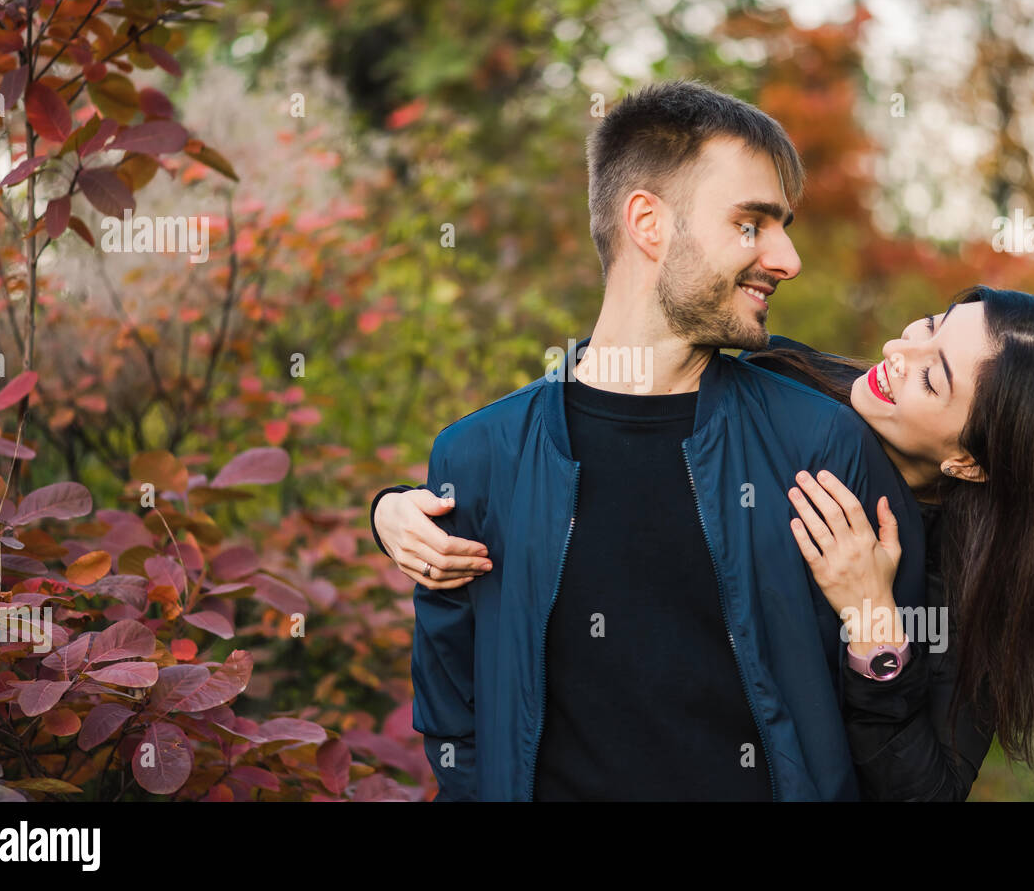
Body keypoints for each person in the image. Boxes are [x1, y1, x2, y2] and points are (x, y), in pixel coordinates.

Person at [370, 79, 927, 801]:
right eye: (754, 223)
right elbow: (454, 720)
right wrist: (386, 508)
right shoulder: (477, 457)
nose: (787, 258)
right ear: (648, 222)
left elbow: (892, 741)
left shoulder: (821, 445)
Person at [378, 286, 1034, 802]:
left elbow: (923, 789)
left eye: (933, 378)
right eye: (932, 325)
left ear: (969, 460)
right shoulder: (782, 385)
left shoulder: (973, 583)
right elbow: (575, 418)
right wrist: (396, 512)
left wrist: (875, 626)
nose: (897, 353)